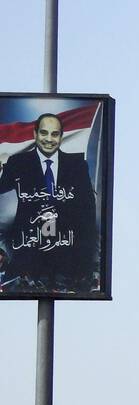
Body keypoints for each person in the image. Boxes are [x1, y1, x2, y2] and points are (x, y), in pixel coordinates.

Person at [0, 112, 100, 292]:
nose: (49, 139)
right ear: (35, 134)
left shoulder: (77, 165)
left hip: (66, 259)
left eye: (55, 134)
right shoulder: (17, 163)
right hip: (26, 257)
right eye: (44, 133)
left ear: (61, 137)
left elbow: (87, 213)